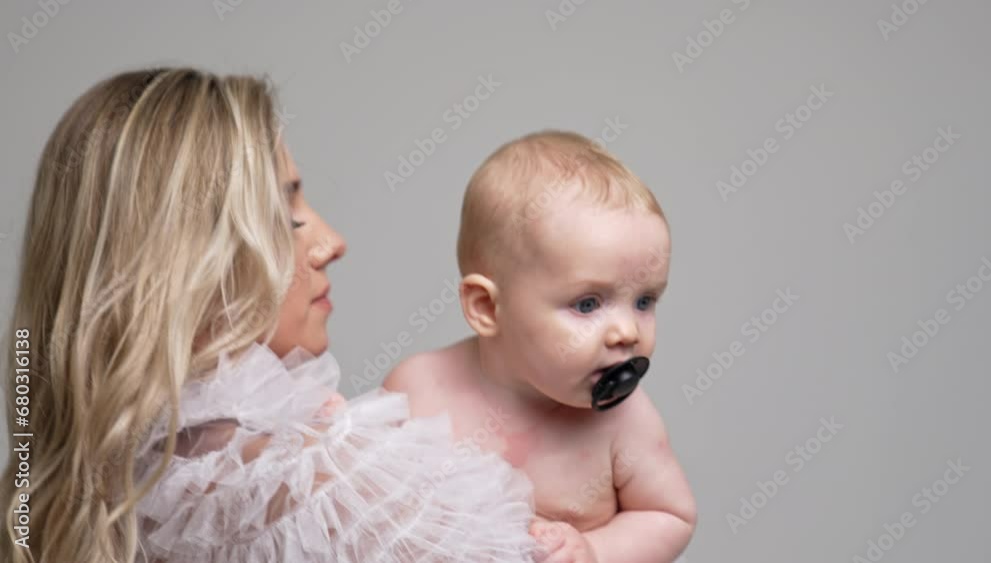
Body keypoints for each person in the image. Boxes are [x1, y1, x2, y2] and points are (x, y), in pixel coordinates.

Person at [1, 68, 543, 563]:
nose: (332, 242)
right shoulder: (318, 484)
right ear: (184, 260)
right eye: (285, 217)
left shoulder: (76, 499)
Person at [384, 131, 698, 562]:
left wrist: (593, 550)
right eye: (588, 304)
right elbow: (362, 506)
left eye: (644, 300)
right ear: (487, 308)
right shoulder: (418, 390)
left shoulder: (627, 422)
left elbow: (669, 514)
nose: (627, 330)